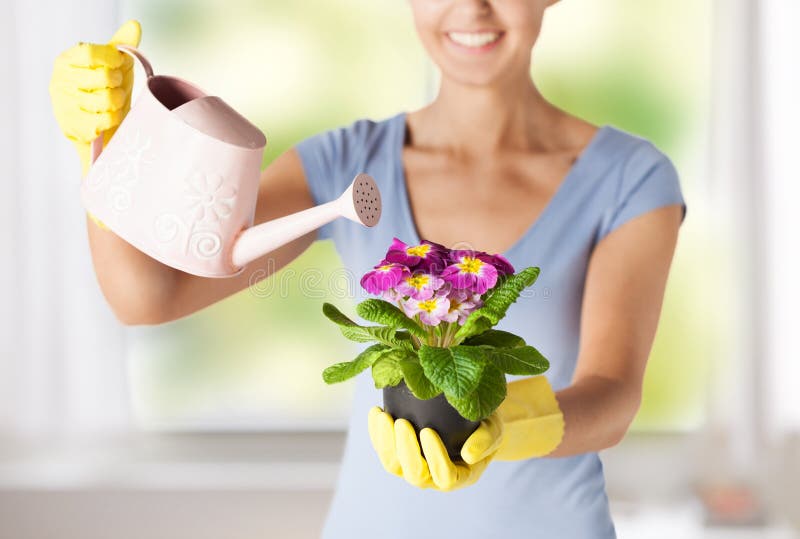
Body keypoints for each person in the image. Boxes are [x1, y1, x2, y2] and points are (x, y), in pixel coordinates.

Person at [49, 0, 686, 536]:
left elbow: (613, 394)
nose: (472, 7)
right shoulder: (344, 163)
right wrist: (102, 145)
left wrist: (504, 422)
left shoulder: (630, 178)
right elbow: (149, 297)